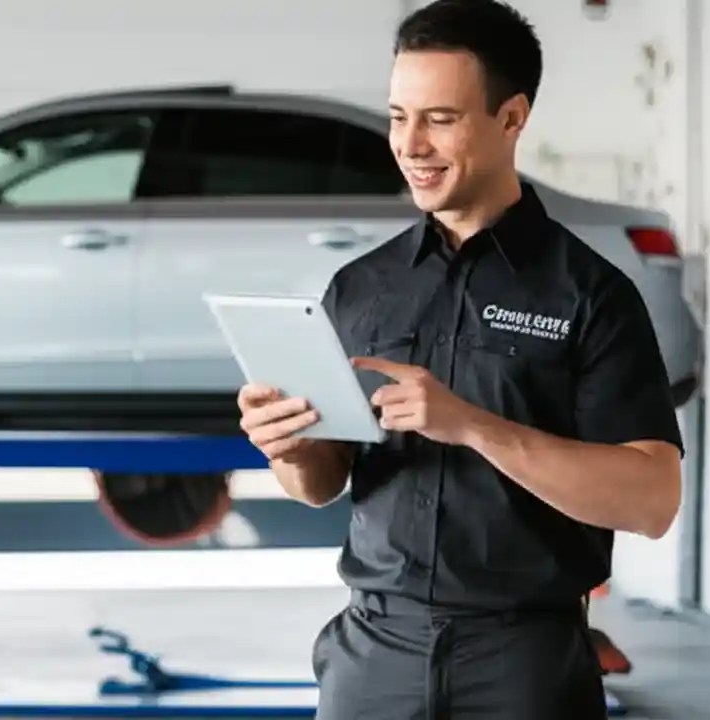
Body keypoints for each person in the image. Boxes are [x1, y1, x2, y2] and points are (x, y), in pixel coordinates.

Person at [235, 1, 685, 717]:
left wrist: (472, 425)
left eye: (439, 118)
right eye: (396, 116)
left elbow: (653, 501)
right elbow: (321, 485)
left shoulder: (591, 293)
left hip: (523, 662)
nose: (410, 144)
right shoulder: (360, 288)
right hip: (374, 652)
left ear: (512, 118)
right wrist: (286, 446)